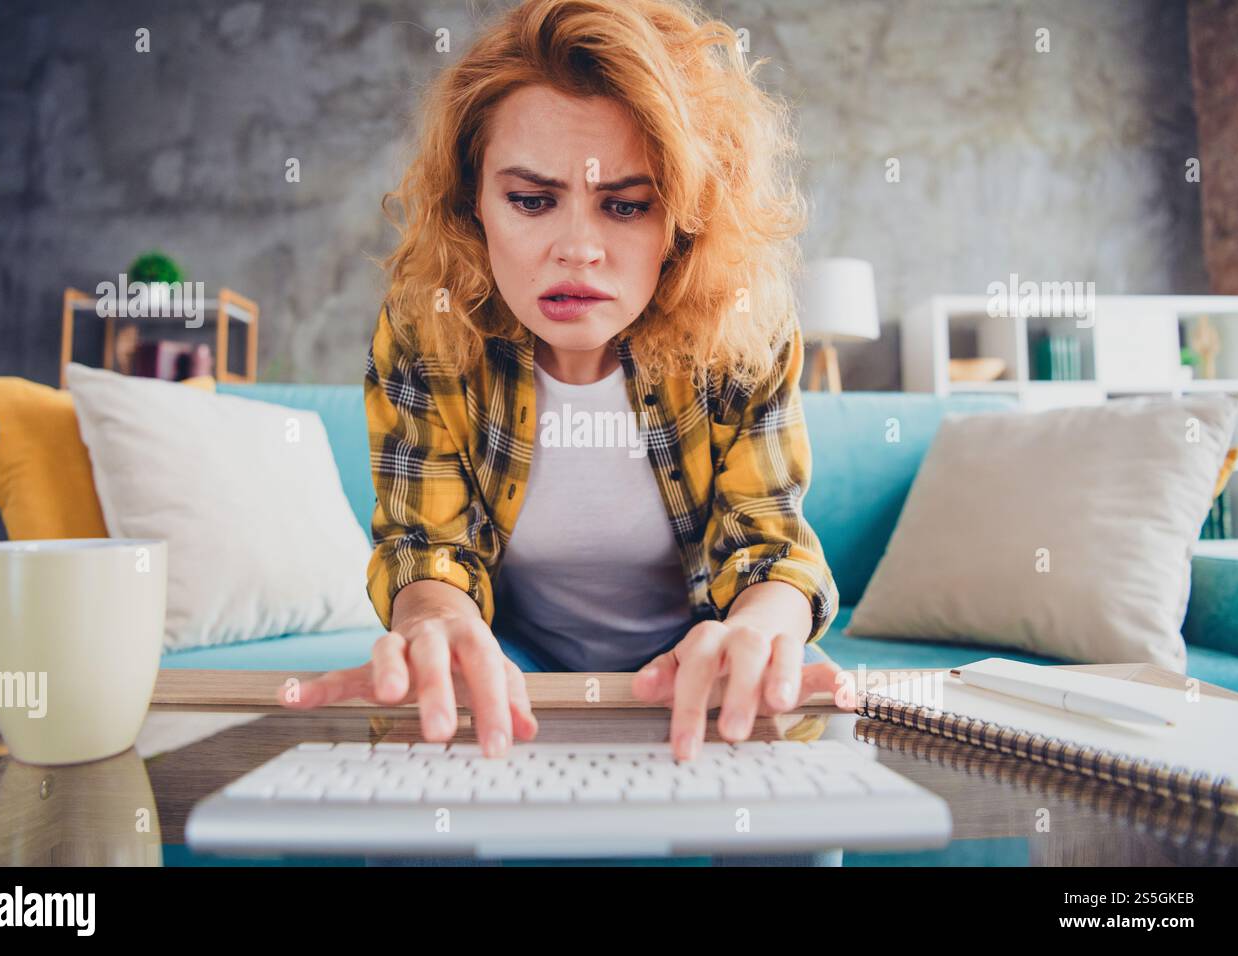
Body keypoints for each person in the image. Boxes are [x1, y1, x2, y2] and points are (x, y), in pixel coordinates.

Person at [280, 0, 844, 765]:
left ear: (683, 218)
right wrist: (431, 624)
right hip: (513, 671)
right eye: (532, 200)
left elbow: (769, 543)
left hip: (691, 665)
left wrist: (759, 630)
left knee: (798, 777)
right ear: (471, 204)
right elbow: (427, 546)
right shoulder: (427, 328)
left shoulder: (744, 327)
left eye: (625, 205)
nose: (578, 250)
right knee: (410, 766)